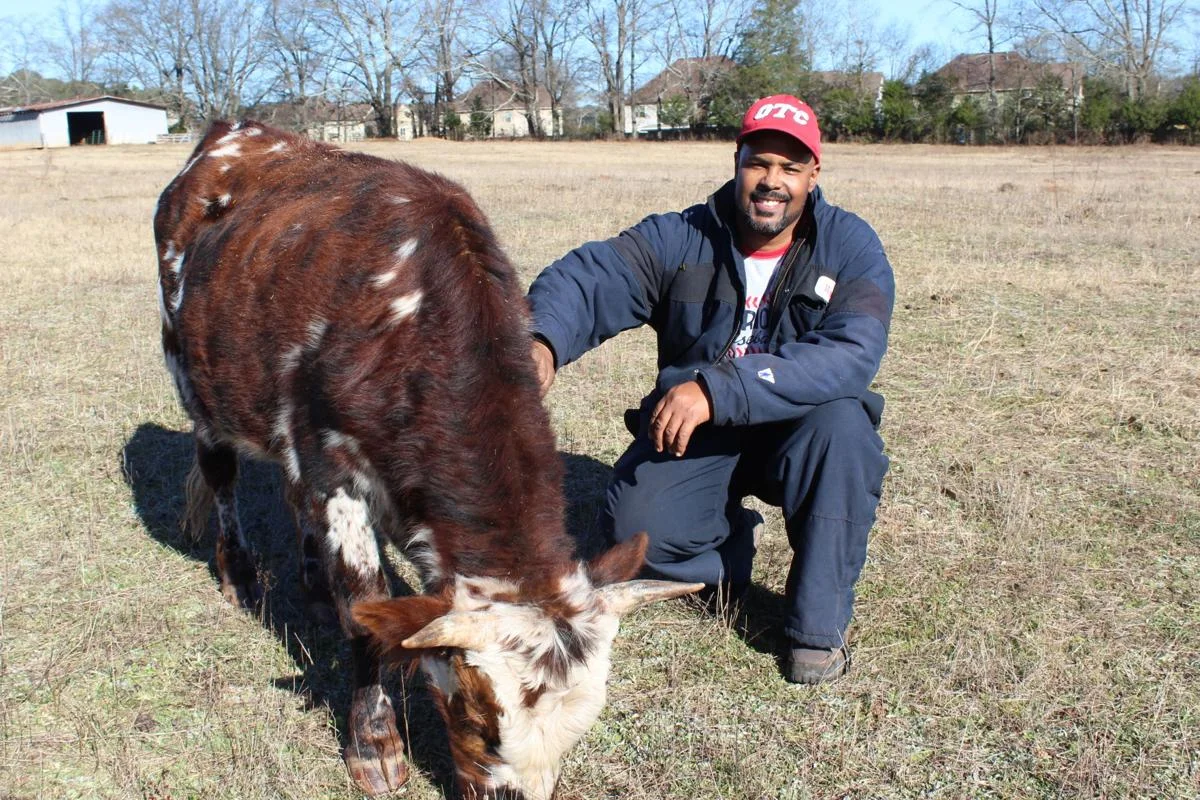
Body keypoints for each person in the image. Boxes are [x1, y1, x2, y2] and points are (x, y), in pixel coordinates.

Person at [526, 95, 893, 685]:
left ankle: (815, 631)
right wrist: (541, 341)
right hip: (695, 431)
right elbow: (590, 278)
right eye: (759, 162)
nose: (772, 182)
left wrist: (721, 387)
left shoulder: (849, 247)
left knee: (845, 431)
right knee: (630, 544)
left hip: (798, 430)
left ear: (814, 175)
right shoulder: (683, 237)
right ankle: (729, 553)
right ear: (737, 160)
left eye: (790, 168)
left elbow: (851, 355)